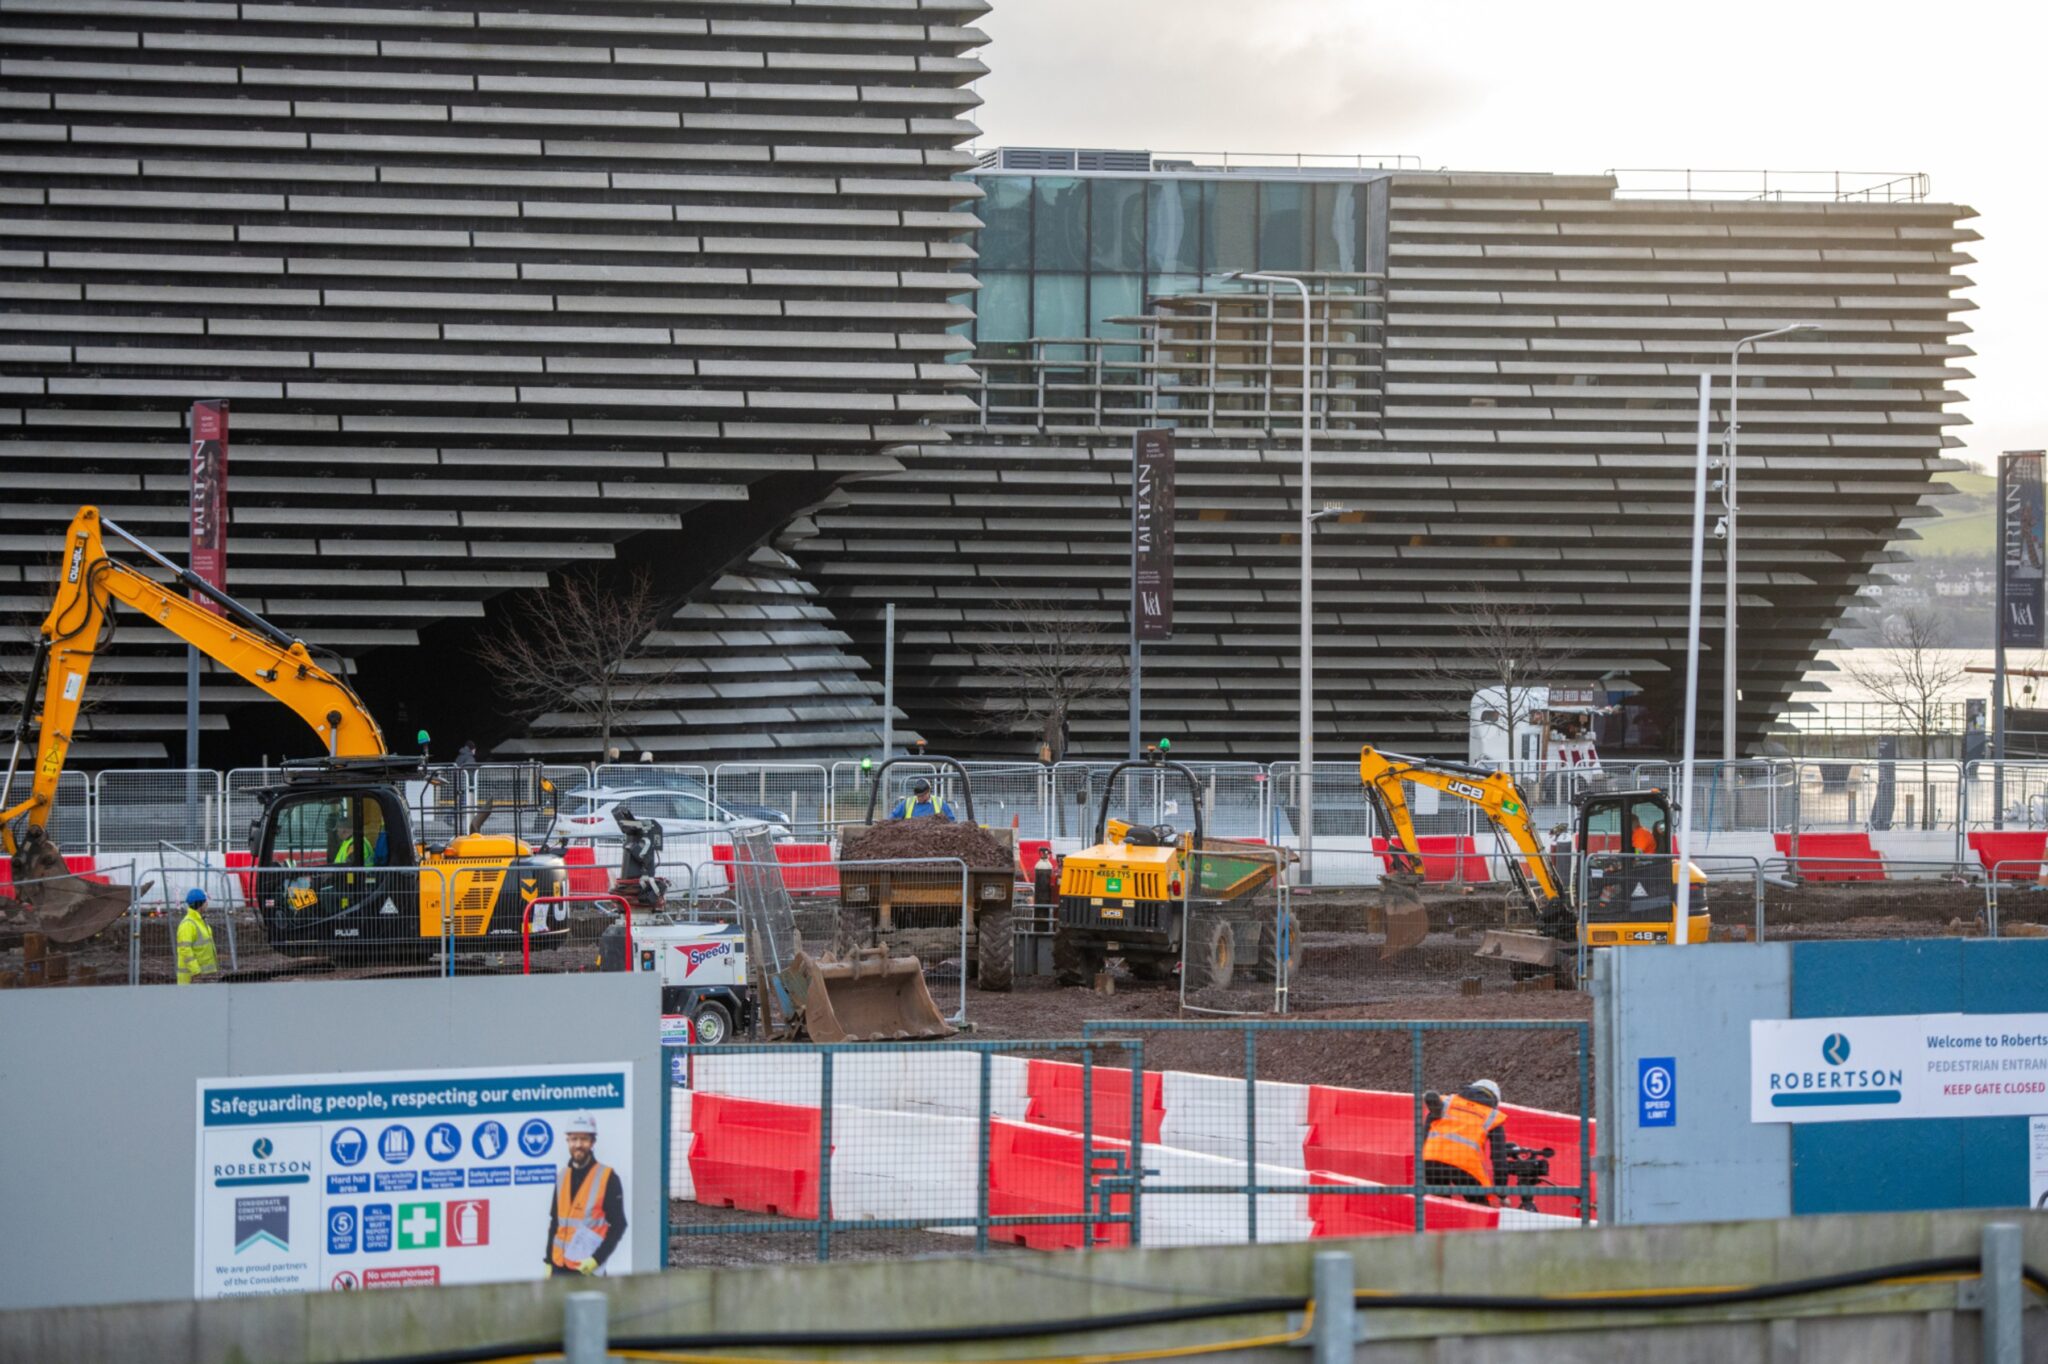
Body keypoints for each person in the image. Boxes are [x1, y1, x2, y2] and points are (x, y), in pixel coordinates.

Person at [544, 1112, 626, 1277]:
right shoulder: (562, 1176)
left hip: (587, 1269)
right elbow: (555, 1223)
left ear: (592, 1142)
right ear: (567, 1141)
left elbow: (618, 1225)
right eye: (574, 1139)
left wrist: (596, 1260)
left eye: (584, 1139)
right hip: (559, 1268)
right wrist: (548, 1261)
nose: (578, 1144)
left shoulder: (608, 1178)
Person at [1421, 1078, 1508, 1205]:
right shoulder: (1493, 1116)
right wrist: (1502, 1193)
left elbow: (1424, 1136)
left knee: (1439, 1205)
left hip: (1433, 1159)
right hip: (1467, 1166)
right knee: (1481, 1210)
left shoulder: (1446, 1101)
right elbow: (1499, 1158)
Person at [176, 888, 219, 986]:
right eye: (205, 901)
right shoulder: (188, 924)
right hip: (192, 978)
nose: (207, 903)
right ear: (200, 904)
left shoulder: (199, 921)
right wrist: (196, 971)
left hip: (203, 976)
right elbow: (185, 950)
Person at [889, 777, 957, 821]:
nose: (920, 798)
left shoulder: (939, 803)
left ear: (929, 791)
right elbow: (892, 817)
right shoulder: (907, 803)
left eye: (922, 796)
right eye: (918, 796)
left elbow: (951, 820)